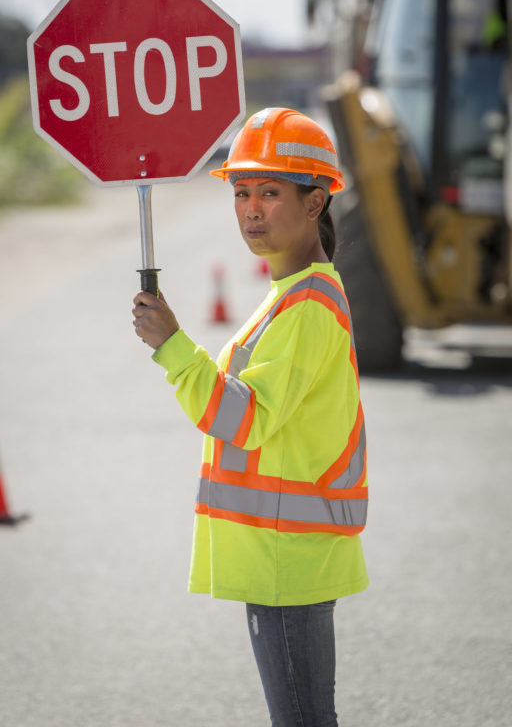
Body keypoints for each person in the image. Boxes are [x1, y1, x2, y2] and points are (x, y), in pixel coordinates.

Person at [132, 107, 369, 727]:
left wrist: (173, 346)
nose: (252, 209)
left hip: (286, 558)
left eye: (269, 192)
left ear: (316, 203)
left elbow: (243, 420)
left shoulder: (310, 304)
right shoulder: (290, 295)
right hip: (278, 555)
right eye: (241, 193)